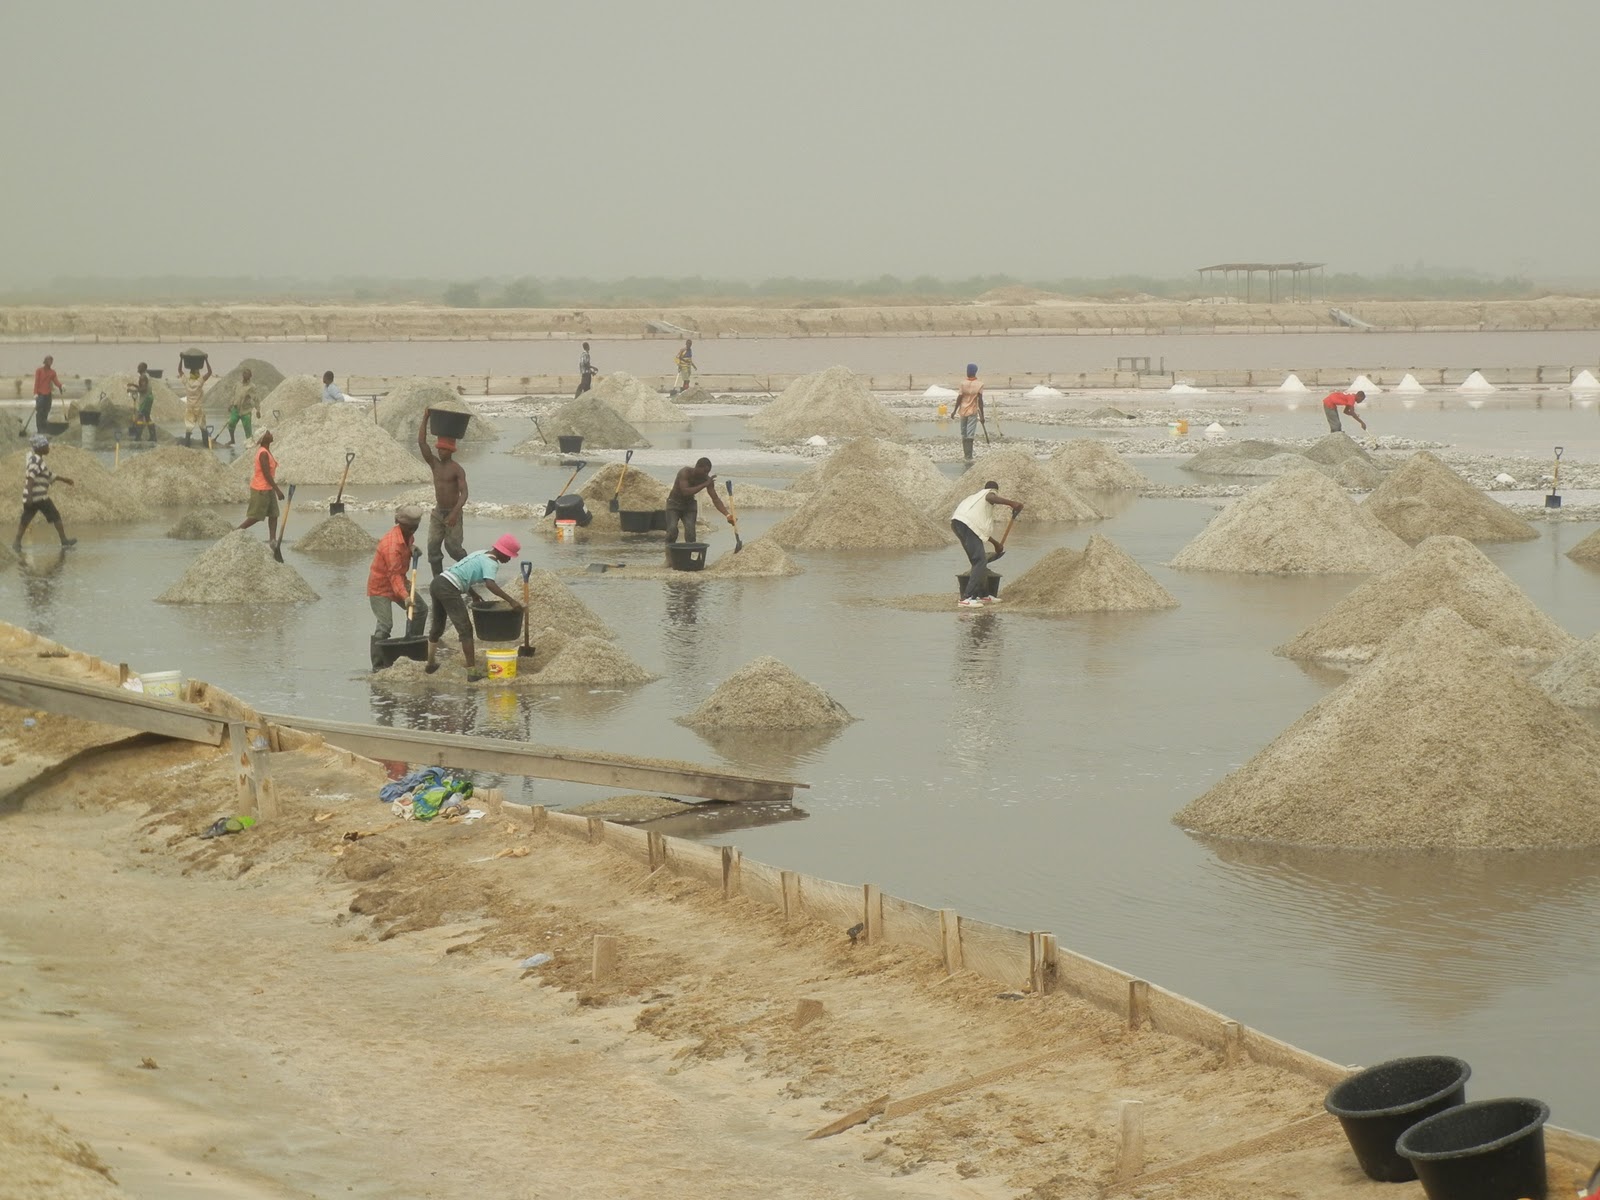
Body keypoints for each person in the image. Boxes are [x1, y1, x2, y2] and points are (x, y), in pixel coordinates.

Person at [424, 533, 525, 682]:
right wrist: (511, 601)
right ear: (502, 552)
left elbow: (464, 574)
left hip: (438, 582)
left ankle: (430, 664)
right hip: (449, 588)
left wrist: (473, 594)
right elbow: (490, 584)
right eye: (509, 556)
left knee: (437, 627)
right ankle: (472, 671)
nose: (509, 559)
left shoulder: (481, 553)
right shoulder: (492, 563)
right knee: (466, 630)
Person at [367, 505, 429, 669]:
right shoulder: (391, 546)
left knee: (420, 610)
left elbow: (398, 575)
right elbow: (393, 576)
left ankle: (412, 647)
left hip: (400, 580)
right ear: (400, 523)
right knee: (385, 624)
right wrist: (406, 597)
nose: (413, 530)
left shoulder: (407, 534)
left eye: (415, 527)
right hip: (381, 586)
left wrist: (411, 549)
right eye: (411, 527)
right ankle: (378, 665)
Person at [950, 479, 1023, 608]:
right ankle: (966, 598)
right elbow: (991, 497)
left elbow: (978, 529)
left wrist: (996, 544)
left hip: (958, 524)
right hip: (966, 525)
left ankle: (983, 595)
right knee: (980, 561)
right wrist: (1012, 503)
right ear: (994, 490)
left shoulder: (974, 500)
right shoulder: (988, 494)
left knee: (978, 561)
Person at [418, 409, 468, 576]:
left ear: (451, 451)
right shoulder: (434, 465)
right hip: (438, 512)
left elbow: (464, 494)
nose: (441, 452)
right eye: (439, 449)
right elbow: (422, 443)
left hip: (453, 511)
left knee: (453, 548)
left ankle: (469, 572)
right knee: (433, 547)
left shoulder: (457, 470)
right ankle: (437, 580)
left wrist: (454, 513)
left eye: (444, 450)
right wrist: (425, 418)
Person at [13, 436, 77, 552]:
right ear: (40, 448)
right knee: (56, 516)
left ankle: (16, 542)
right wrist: (29, 496)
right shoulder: (36, 460)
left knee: (25, 519)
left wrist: (64, 479)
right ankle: (64, 540)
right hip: (39, 497)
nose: (48, 448)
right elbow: (30, 477)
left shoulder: (37, 460)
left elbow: (48, 474)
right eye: (46, 446)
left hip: (32, 497)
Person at [664, 457, 732, 545]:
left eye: (708, 472)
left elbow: (715, 499)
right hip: (674, 503)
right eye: (704, 471)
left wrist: (727, 514)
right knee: (672, 530)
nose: (706, 474)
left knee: (691, 533)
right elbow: (685, 491)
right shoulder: (685, 472)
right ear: (697, 467)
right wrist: (704, 484)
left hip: (689, 505)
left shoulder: (706, 480)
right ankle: (669, 553)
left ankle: (688, 555)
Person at [237, 429, 285, 542]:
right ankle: (236, 532)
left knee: (274, 514)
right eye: (268, 434)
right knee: (255, 516)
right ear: (264, 439)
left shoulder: (266, 450)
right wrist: (277, 490)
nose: (271, 434)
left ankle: (272, 540)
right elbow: (266, 474)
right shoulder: (263, 453)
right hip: (261, 489)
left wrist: (273, 489)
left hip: (268, 488)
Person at [954, 363, 985, 462]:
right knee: (969, 433)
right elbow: (980, 401)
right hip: (972, 411)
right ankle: (968, 456)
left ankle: (967, 455)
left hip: (963, 410)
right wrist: (982, 416)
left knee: (964, 433)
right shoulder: (979, 384)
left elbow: (959, 398)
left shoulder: (963, 383)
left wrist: (954, 411)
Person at [224, 367, 258, 445]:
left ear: (250, 376)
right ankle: (232, 440)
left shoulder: (252, 386)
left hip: (245, 411)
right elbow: (234, 395)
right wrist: (230, 405)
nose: (246, 375)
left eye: (248, 374)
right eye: (245, 374)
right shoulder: (238, 384)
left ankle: (249, 443)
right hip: (236, 409)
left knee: (247, 428)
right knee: (231, 424)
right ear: (242, 375)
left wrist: (258, 410)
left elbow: (256, 399)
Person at [181, 361, 213, 445]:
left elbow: (179, 370)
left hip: (190, 407)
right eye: (198, 372)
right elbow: (210, 372)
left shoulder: (187, 381)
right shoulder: (199, 382)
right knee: (202, 425)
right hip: (198, 407)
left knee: (188, 426)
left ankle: (187, 444)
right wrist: (206, 360)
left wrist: (181, 359)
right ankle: (205, 443)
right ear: (197, 374)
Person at [126, 362, 157, 441]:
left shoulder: (143, 377)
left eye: (139, 367)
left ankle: (138, 437)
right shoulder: (146, 376)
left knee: (140, 416)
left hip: (145, 398)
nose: (138, 368)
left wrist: (133, 390)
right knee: (147, 417)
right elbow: (143, 386)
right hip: (149, 397)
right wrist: (133, 385)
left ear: (143, 368)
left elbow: (143, 389)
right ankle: (153, 437)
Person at [32, 356, 63, 430]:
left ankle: (44, 427)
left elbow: (56, 381)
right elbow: (36, 382)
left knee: (46, 411)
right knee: (40, 412)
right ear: (45, 362)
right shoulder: (39, 371)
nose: (50, 362)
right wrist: (35, 393)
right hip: (40, 395)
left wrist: (61, 386)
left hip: (48, 394)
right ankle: (39, 429)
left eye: (51, 361)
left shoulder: (52, 372)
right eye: (49, 361)